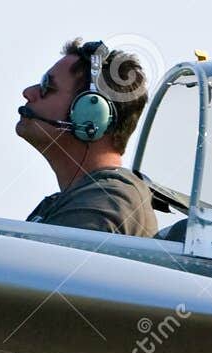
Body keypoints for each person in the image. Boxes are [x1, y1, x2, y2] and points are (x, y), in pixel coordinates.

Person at [16, 38, 158, 237]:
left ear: (91, 114)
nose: (28, 93)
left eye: (46, 86)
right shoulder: (71, 201)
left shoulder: (104, 204)